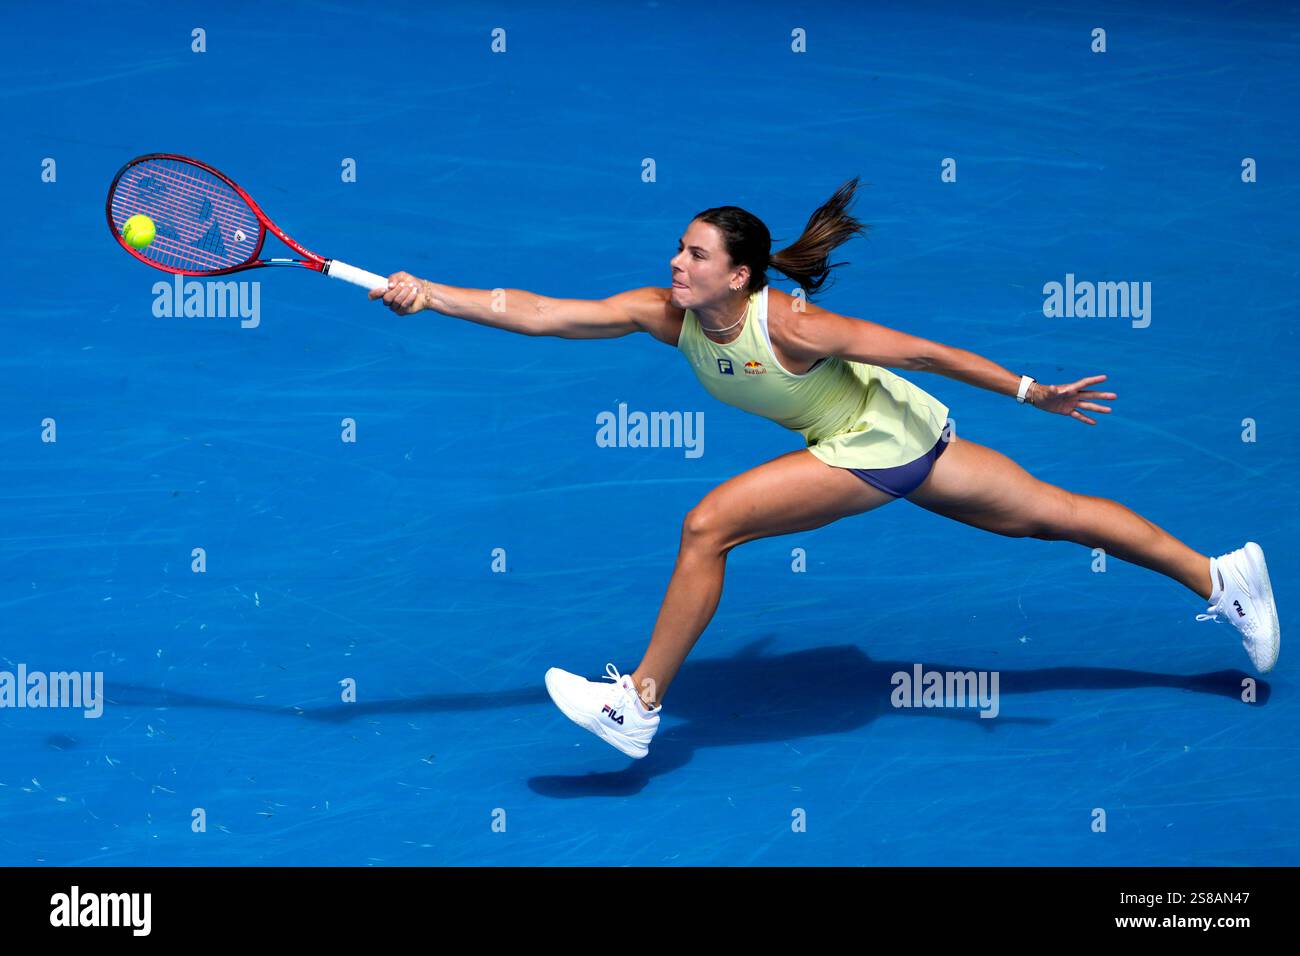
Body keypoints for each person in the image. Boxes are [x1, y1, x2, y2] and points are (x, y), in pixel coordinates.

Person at [370, 178, 1280, 760]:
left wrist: (1031, 387)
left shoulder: (794, 327)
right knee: (1056, 515)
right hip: (891, 440)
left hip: (876, 438)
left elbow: (921, 351)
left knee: (707, 525)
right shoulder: (664, 312)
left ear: (739, 276)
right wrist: (430, 294)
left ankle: (640, 703)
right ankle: (1221, 575)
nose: (674, 263)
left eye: (694, 253)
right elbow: (537, 313)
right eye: (678, 248)